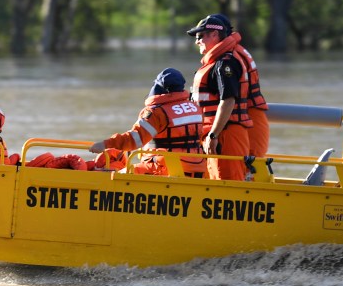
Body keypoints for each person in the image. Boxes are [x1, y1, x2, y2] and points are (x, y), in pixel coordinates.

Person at [88, 68, 207, 177]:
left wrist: (105, 144)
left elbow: (134, 139)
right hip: (197, 168)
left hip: (165, 169)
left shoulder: (157, 112)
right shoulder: (194, 108)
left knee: (118, 175)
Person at [186, 14, 251, 181]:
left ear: (214, 35)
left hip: (226, 134)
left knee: (228, 184)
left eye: (200, 36)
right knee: (217, 183)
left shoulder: (224, 63)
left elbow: (228, 100)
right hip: (218, 133)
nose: (197, 41)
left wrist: (213, 135)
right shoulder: (217, 63)